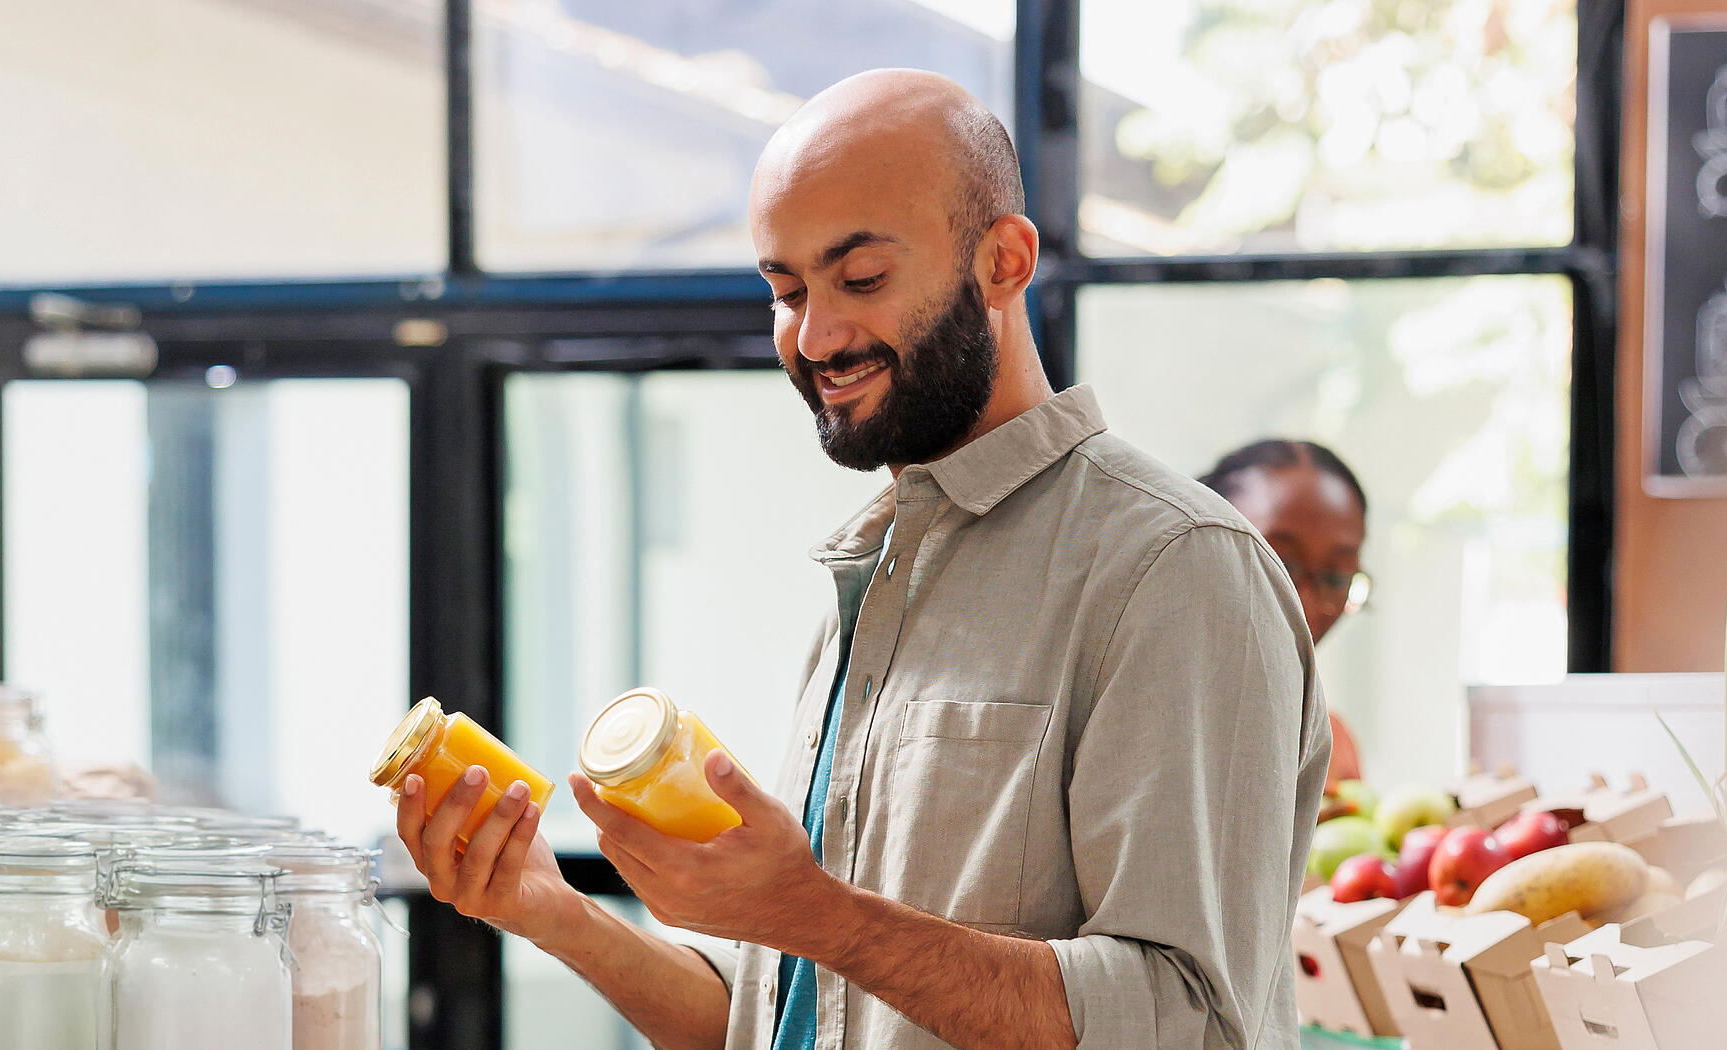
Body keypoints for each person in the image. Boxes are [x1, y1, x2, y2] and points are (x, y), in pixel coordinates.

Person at [394, 69, 1329, 1050]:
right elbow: (779, 1017)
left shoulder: (1174, 568)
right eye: (786, 290)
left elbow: (1187, 1023)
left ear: (1003, 261)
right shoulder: (877, 571)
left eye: (861, 279)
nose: (816, 336)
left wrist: (811, 912)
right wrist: (553, 911)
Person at [1199, 440, 1368, 788]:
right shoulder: (1154, 724)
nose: (1304, 607)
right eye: (1281, 566)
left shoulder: (1334, 749)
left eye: (1336, 578)